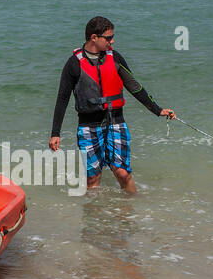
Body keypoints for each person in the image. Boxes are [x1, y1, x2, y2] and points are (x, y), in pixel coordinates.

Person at [49, 16, 175, 194]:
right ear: (94, 38)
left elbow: (135, 87)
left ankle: (130, 216)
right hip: (88, 126)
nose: (112, 41)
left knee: (123, 173)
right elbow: (62, 98)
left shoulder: (115, 58)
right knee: (93, 179)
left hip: (116, 122)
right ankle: (95, 220)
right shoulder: (74, 64)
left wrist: (158, 110)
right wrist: (55, 133)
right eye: (108, 38)